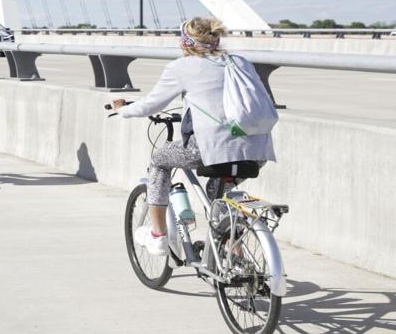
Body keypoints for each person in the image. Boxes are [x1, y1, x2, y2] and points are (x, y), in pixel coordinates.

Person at [111, 16, 277, 257]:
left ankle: (157, 235)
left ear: (186, 42)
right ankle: (233, 248)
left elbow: (150, 105)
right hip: (256, 149)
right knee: (218, 192)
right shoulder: (240, 62)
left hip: (209, 149)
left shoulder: (181, 67)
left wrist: (122, 110)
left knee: (159, 160)